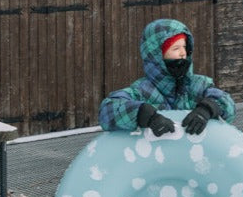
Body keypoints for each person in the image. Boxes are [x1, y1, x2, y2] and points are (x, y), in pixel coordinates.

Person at [98, 18, 235, 135]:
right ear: (157, 55)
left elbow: (228, 104)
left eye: (184, 47)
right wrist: (143, 114)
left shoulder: (199, 85)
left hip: (196, 158)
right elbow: (107, 111)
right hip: (158, 159)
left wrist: (206, 109)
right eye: (175, 49)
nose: (183, 53)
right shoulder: (142, 91)